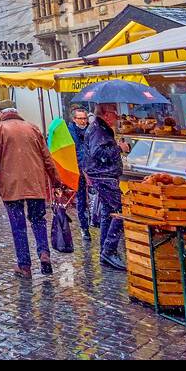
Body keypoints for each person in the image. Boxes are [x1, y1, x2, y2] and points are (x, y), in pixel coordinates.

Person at [0, 101, 60, 278]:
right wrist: (56, 181)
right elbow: (47, 158)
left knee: (18, 225)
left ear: (0, 114)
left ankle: (24, 266)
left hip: (11, 185)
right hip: (35, 183)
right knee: (38, 220)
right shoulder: (33, 128)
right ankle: (44, 254)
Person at [83, 105, 126, 271]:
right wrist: (118, 148)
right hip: (104, 176)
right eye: (115, 114)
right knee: (121, 210)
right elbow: (97, 152)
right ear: (107, 115)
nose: (117, 117)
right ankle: (109, 249)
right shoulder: (98, 130)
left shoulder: (100, 128)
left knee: (109, 213)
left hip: (104, 176)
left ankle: (105, 251)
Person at [67, 105, 92, 243]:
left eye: (85, 118)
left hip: (91, 169)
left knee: (94, 199)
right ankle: (84, 227)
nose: (83, 121)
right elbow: (76, 152)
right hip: (78, 170)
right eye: (81, 119)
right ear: (74, 119)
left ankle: (93, 221)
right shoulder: (70, 132)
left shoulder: (90, 130)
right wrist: (81, 167)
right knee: (81, 199)